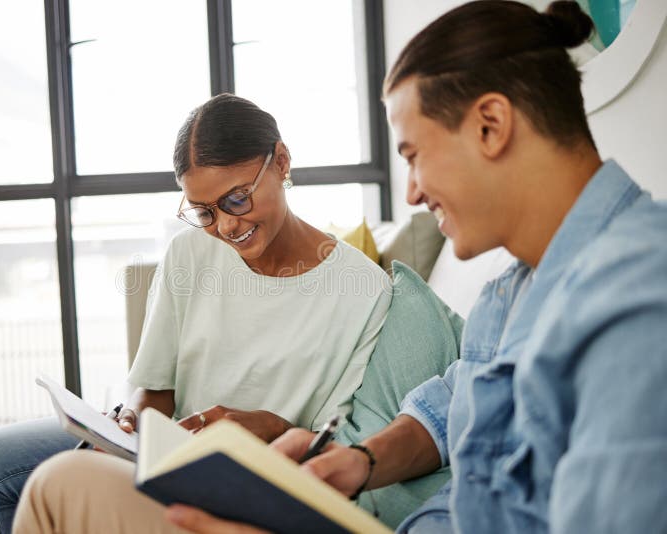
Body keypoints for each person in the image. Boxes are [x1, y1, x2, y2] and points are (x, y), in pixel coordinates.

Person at [155, 1, 667, 533]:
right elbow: (448, 410)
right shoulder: (516, 291)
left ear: (491, 126)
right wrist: (360, 461)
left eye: (414, 155)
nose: (413, 192)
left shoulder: (636, 300)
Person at [0, 93, 391, 534]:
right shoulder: (191, 251)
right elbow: (155, 386)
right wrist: (130, 422)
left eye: (237, 200)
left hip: (264, 479)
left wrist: (272, 427)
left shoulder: (364, 288)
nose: (227, 227)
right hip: (167, 455)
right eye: (204, 212)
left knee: (57, 486)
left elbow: (334, 444)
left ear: (281, 162)